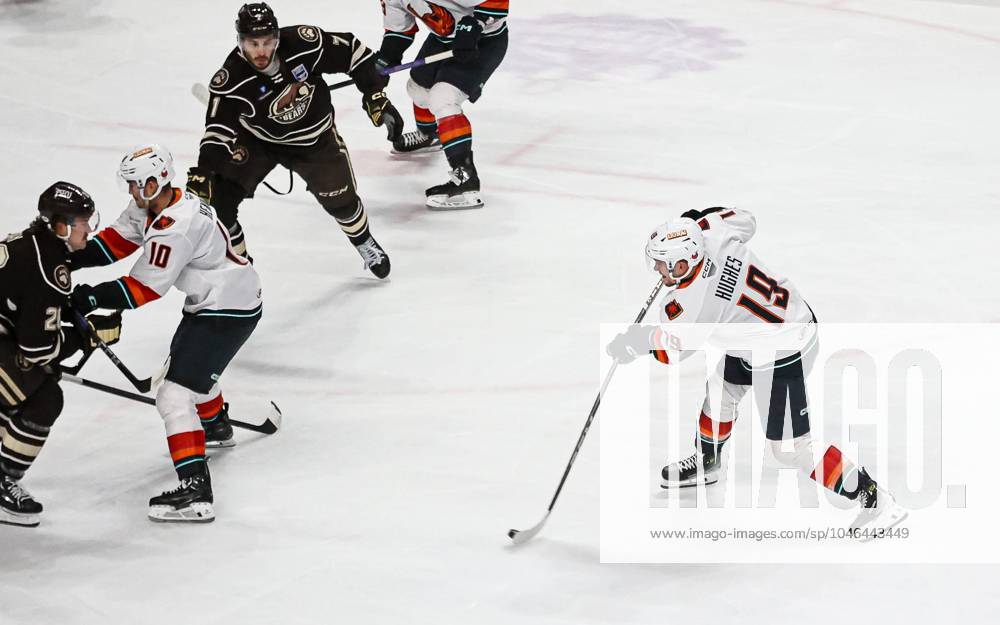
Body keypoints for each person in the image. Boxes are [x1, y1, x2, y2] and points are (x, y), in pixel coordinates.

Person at [607, 207, 907, 533]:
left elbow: (669, 351)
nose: (658, 271)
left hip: (785, 347)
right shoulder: (711, 231)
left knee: (791, 448)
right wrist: (699, 217)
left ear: (684, 263)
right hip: (768, 325)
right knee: (720, 392)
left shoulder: (693, 304)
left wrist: (637, 342)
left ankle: (875, 498)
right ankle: (708, 462)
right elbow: (747, 220)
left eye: (664, 265)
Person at [70, 144, 263, 523]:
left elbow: (142, 289)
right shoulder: (152, 204)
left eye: (134, 184)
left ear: (155, 181)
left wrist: (88, 297)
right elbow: (114, 243)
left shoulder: (177, 225)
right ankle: (216, 426)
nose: (130, 192)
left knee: (173, 395)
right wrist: (62, 259)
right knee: (191, 370)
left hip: (229, 309)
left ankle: (195, 491)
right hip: (215, 300)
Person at [187, 2, 402, 277]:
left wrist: (374, 93)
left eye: (267, 42)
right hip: (259, 142)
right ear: (240, 42)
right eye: (253, 44)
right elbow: (217, 132)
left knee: (344, 204)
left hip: (315, 141)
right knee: (220, 203)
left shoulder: (304, 43)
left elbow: (353, 52)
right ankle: (240, 271)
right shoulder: (231, 80)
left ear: (277, 37)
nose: (261, 51)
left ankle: (364, 243)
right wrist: (205, 171)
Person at [0, 182, 121, 527]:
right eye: (84, 223)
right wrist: (84, 339)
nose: (90, 228)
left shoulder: (33, 244)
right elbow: (36, 349)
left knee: (31, 381)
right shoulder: (48, 269)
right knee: (44, 395)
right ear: (61, 226)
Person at [377, 0, 509, 210]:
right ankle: (429, 134)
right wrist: (384, 60)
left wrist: (477, 24)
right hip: (443, 39)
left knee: (443, 98)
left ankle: (466, 179)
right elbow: (399, 31)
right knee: (418, 89)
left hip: (484, 42)